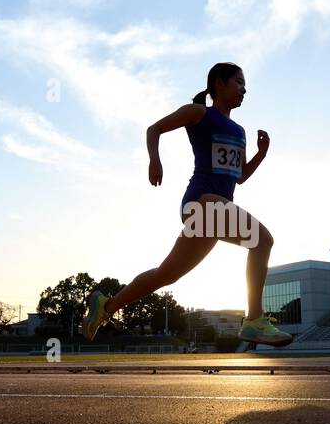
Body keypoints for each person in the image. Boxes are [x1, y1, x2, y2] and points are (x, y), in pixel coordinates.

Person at [80, 62, 293, 347]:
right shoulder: (199, 113)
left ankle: (105, 306)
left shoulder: (240, 131)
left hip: (217, 213)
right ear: (220, 83)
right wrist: (154, 159)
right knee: (262, 241)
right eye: (239, 82)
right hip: (201, 201)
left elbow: (239, 176)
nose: (244, 89)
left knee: (164, 276)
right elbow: (154, 128)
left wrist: (261, 154)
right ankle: (254, 320)